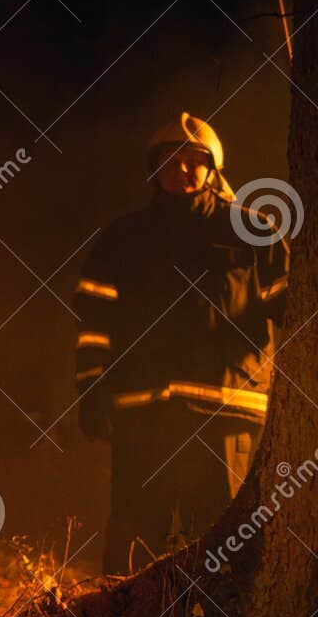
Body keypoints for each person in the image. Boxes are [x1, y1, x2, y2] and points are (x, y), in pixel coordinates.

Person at [74, 112, 287, 573]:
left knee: (222, 535)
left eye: (195, 160)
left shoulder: (253, 229)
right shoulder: (123, 238)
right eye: (170, 159)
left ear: (214, 169)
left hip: (226, 411)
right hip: (142, 411)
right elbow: (93, 320)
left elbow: (292, 307)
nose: (182, 169)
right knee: (133, 534)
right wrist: (91, 387)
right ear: (154, 169)